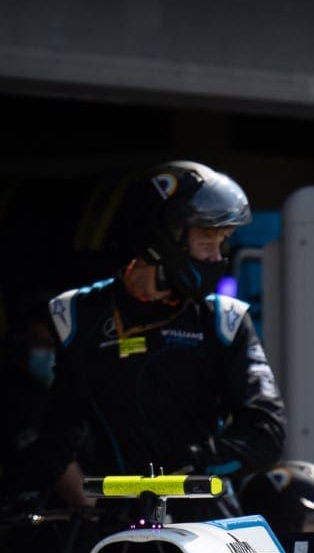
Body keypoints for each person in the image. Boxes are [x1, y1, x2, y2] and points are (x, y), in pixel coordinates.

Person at [39, 161, 285, 513]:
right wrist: (36, 490)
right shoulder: (76, 315)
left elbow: (267, 434)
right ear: (162, 238)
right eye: (206, 242)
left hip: (205, 522)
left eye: (223, 243)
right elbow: (60, 430)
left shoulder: (223, 321)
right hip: (114, 525)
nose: (217, 258)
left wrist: (189, 465)